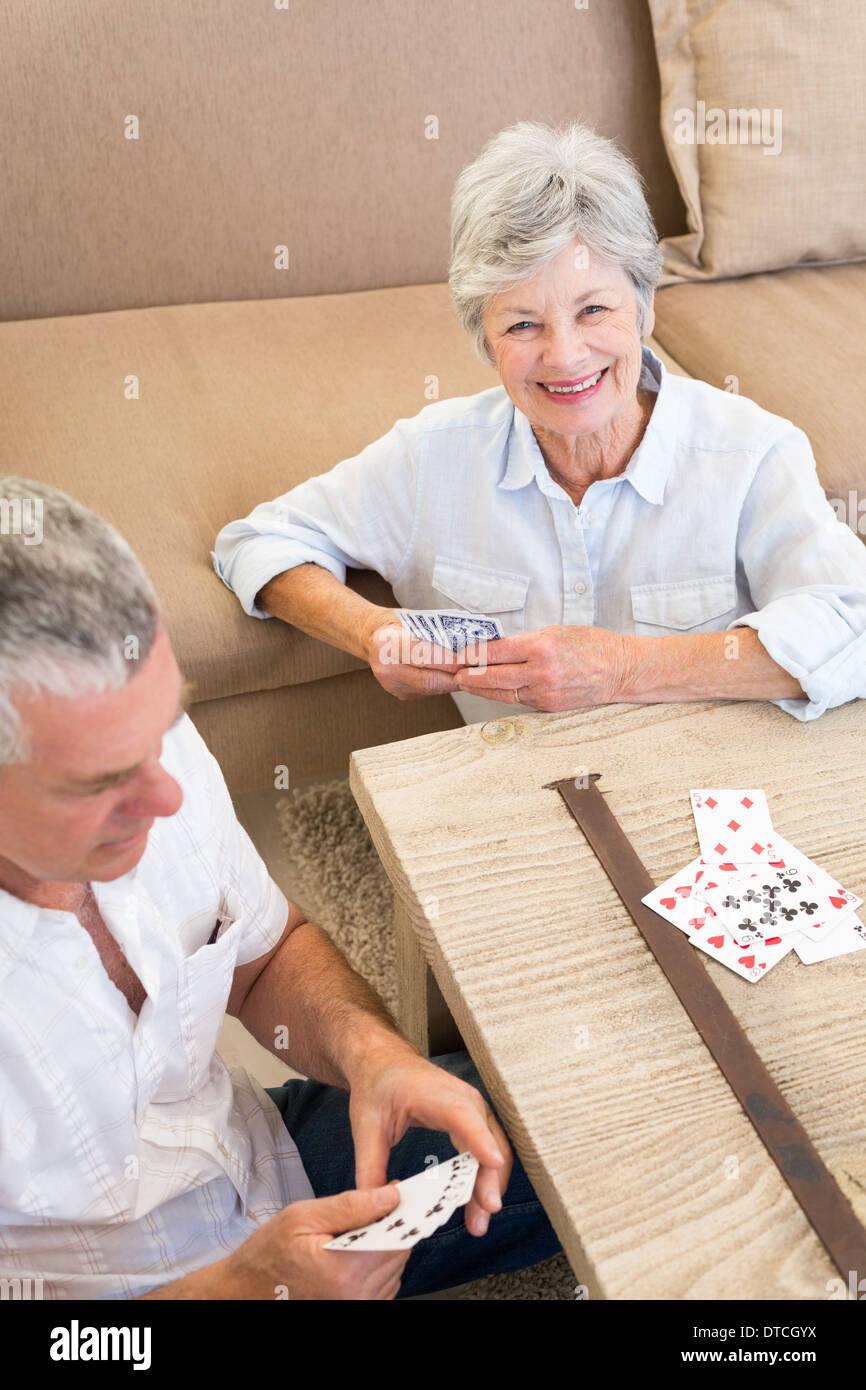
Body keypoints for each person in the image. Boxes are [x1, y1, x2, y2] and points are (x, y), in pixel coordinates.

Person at [0, 476, 560, 1300]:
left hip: (269, 1165)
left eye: (164, 728)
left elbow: (263, 958)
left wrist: (375, 1058)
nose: (169, 797)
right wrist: (243, 1291)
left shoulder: (131, 730)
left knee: (606, 1115)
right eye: (101, 782)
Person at [213, 119, 866, 726]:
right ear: (484, 340)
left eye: (592, 311)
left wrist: (619, 670)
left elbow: (852, 626)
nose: (566, 356)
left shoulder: (750, 454)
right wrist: (373, 633)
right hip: (509, 801)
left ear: (642, 309)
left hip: (701, 791)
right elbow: (257, 542)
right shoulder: (434, 458)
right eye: (523, 324)